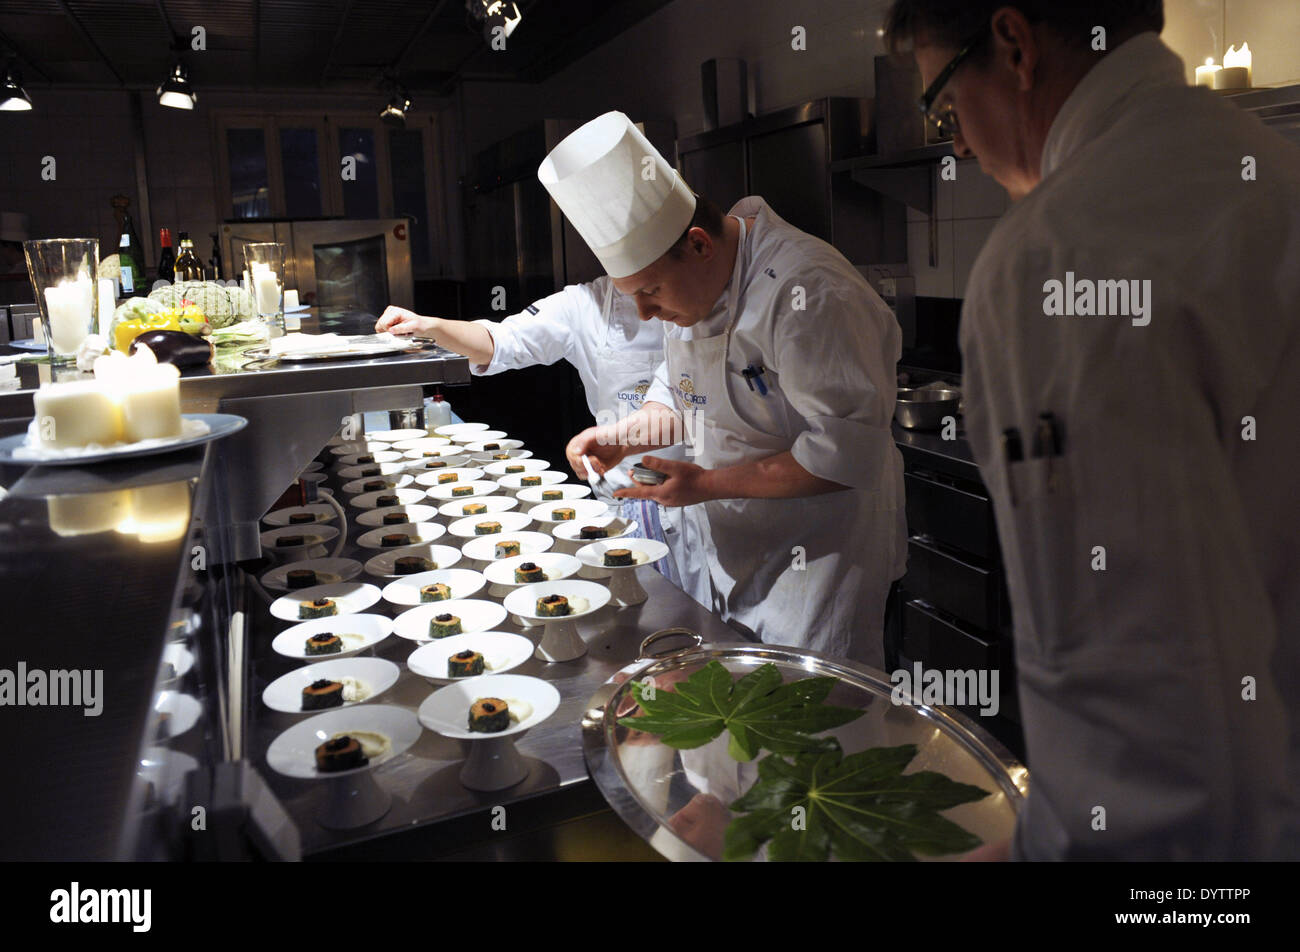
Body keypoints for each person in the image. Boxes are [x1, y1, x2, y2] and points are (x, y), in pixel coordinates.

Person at [886, 0, 1300, 860]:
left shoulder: (1051, 257)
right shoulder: (1273, 171)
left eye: (947, 107)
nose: (957, 143)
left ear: (1012, 45)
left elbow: (1139, 721)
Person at [550, 111, 907, 666]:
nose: (645, 311)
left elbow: (842, 456)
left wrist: (707, 482)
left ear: (698, 244)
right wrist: (624, 437)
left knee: (814, 731)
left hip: (817, 565)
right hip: (728, 551)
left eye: (649, 291)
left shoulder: (808, 292)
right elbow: (681, 397)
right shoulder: (691, 290)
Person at [375, 283, 708, 601]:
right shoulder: (584, 303)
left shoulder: (705, 300)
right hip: (623, 507)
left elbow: (686, 407)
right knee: (655, 618)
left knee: (710, 629)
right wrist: (431, 325)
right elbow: (502, 340)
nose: (646, 308)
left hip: (709, 500)